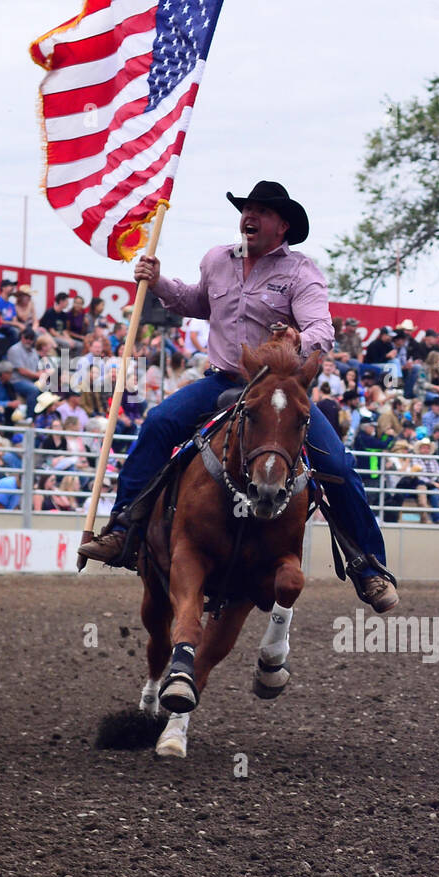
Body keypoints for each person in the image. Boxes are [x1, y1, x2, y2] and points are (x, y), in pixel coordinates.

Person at [78, 180, 399, 612]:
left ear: (282, 225)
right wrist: (158, 282)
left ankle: (368, 566)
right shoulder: (217, 260)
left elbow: (323, 329)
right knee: (157, 424)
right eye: (246, 209)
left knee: (338, 463)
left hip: (276, 388)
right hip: (221, 380)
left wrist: (299, 338)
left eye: (261, 211)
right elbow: (196, 301)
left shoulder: (302, 272)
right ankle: (124, 529)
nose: (249, 216)